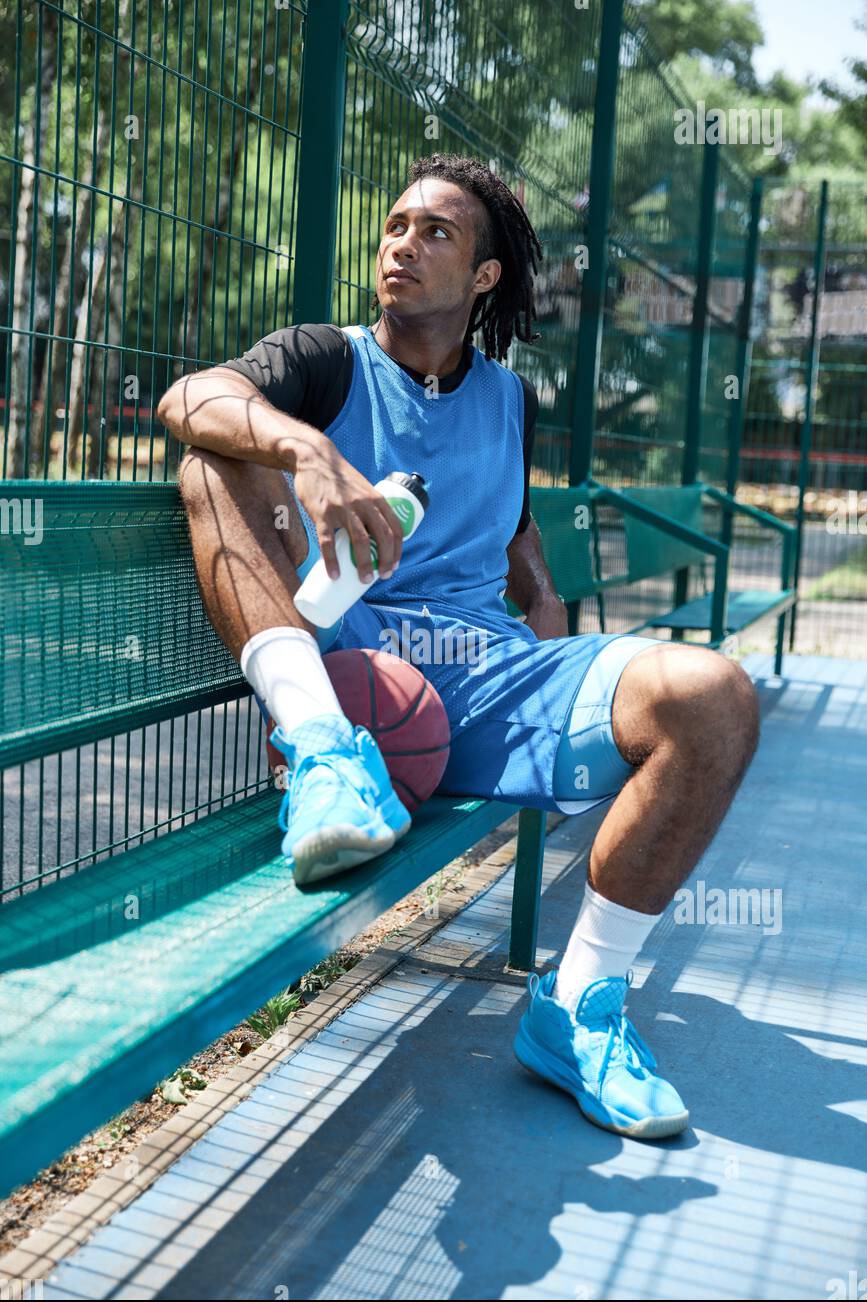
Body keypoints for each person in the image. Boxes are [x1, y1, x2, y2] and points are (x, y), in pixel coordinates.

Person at [157, 153, 760, 1141]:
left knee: (714, 693)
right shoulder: (327, 360)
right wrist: (305, 446)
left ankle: (579, 1007)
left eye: (436, 231)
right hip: (352, 665)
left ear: (484, 277)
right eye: (395, 226)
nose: (403, 243)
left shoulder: (510, 400)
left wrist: (558, 639)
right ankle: (323, 755)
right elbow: (189, 397)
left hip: (492, 680)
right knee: (212, 467)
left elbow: (518, 538)